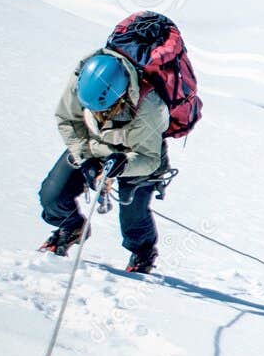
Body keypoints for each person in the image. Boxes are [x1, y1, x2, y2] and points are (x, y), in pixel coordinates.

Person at [38, 49, 170, 273]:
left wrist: (123, 166)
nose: (95, 114)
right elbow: (68, 119)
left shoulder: (150, 107)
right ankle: (72, 227)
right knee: (52, 196)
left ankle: (143, 252)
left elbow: (149, 158)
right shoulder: (82, 82)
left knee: (132, 214)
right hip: (92, 145)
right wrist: (85, 158)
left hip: (136, 155)